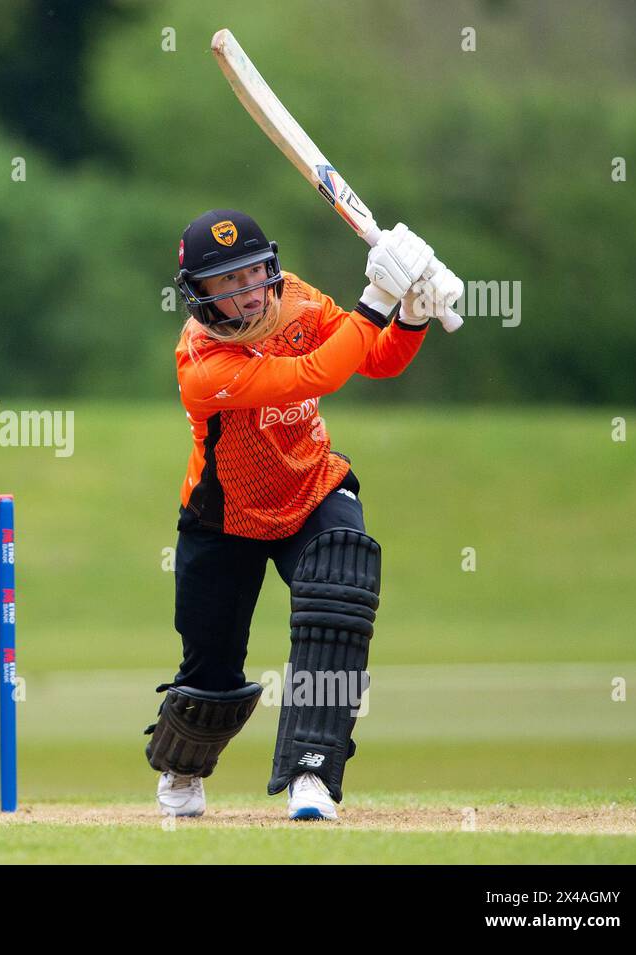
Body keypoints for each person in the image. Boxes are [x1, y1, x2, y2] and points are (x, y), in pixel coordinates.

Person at [144, 209, 460, 820]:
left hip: (312, 485)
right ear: (199, 296)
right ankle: (183, 771)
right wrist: (379, 295)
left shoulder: (300, 303)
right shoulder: (203, 362)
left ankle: (312, 773)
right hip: (226, 515)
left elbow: (375, 359)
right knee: (211, 670)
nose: (246, 293)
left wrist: (412, 316)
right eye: (225, 284)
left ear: (272, 267)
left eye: (254, 274)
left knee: (340, 585)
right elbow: (316, 374)